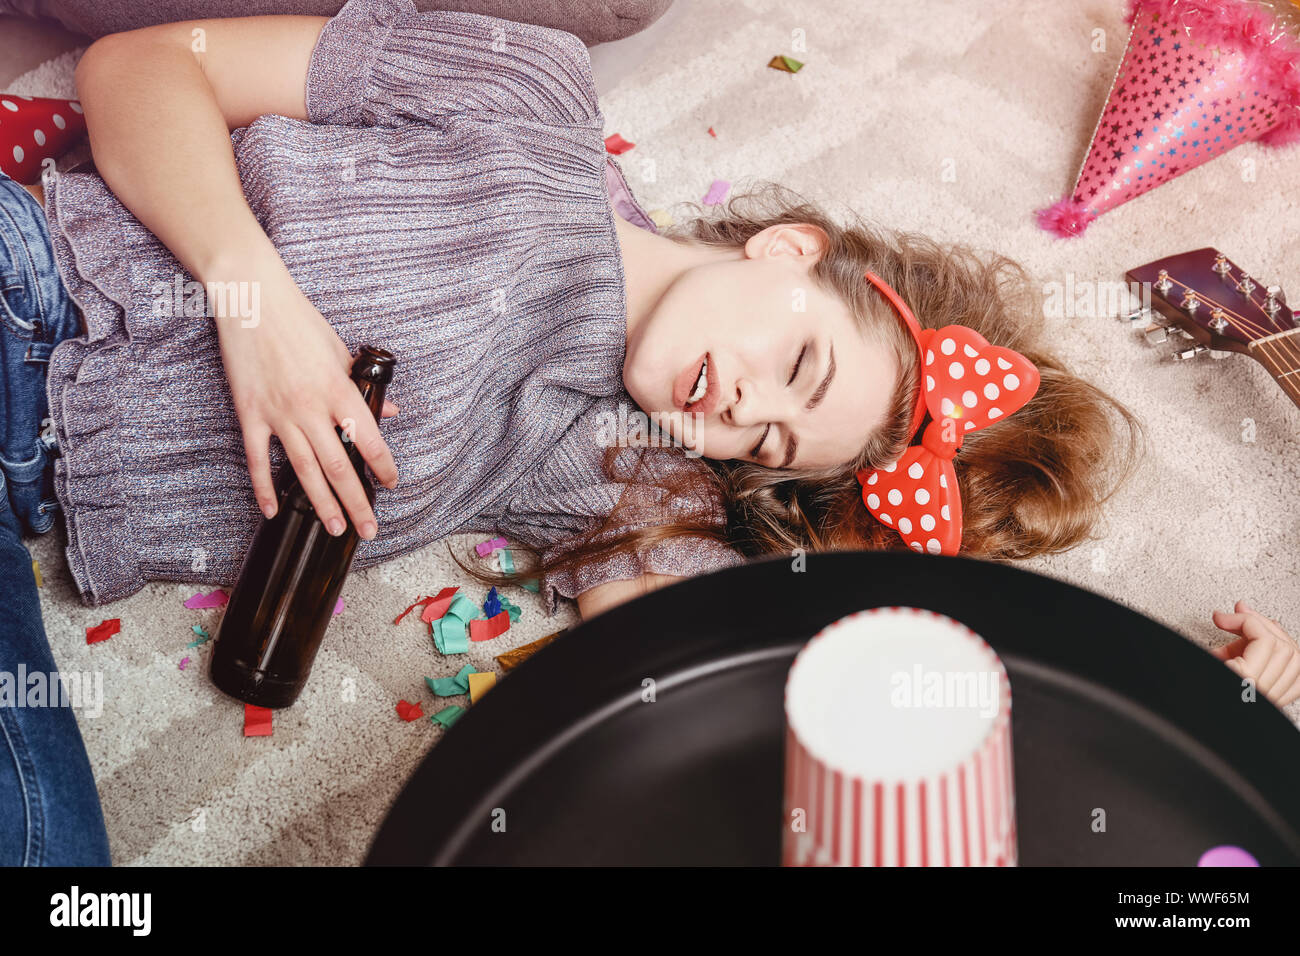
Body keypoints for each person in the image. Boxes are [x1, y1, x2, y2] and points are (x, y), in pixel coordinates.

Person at [1, 0, 1293, 866]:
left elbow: (815, 699)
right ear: (794, 250)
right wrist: (255, 304)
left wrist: (1225, 709)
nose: (746, 415)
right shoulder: (525, 94)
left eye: (776, 446)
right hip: (30, 285)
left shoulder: (630, 473)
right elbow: (144, 67)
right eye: (799, 363)